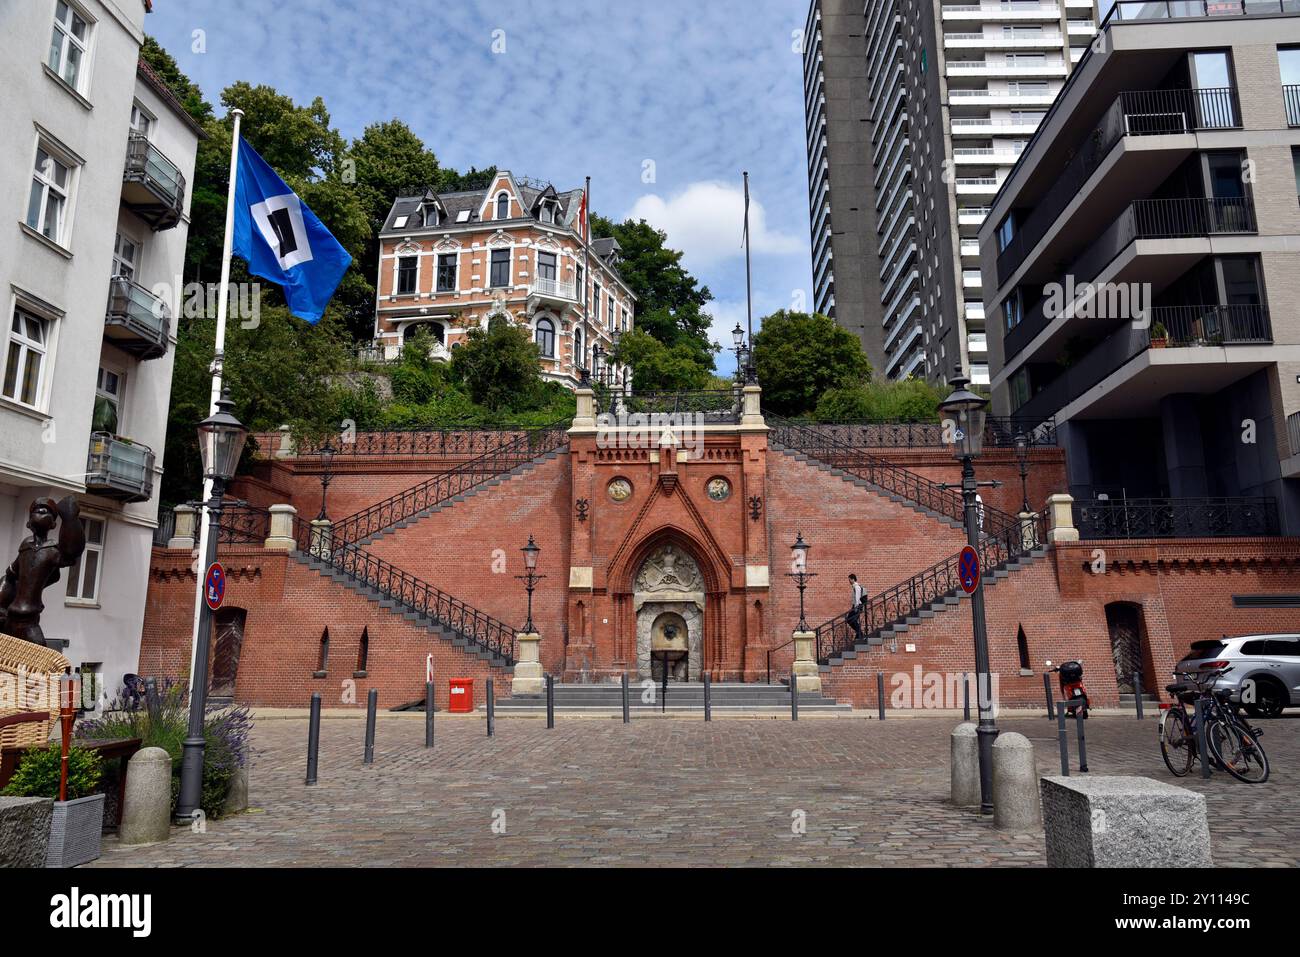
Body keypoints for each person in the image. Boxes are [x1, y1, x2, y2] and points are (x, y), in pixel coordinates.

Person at [847, 573, 866, 642]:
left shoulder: (857, 587)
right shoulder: (854, 587)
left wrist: (856, 607)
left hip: (857, 606)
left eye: (849, 580)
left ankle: (860, 635)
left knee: (852, 620)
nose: (849, 581)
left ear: (853, 579)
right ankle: (859, 634)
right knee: (849, 620)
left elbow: (858, 598)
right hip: (855, 606)